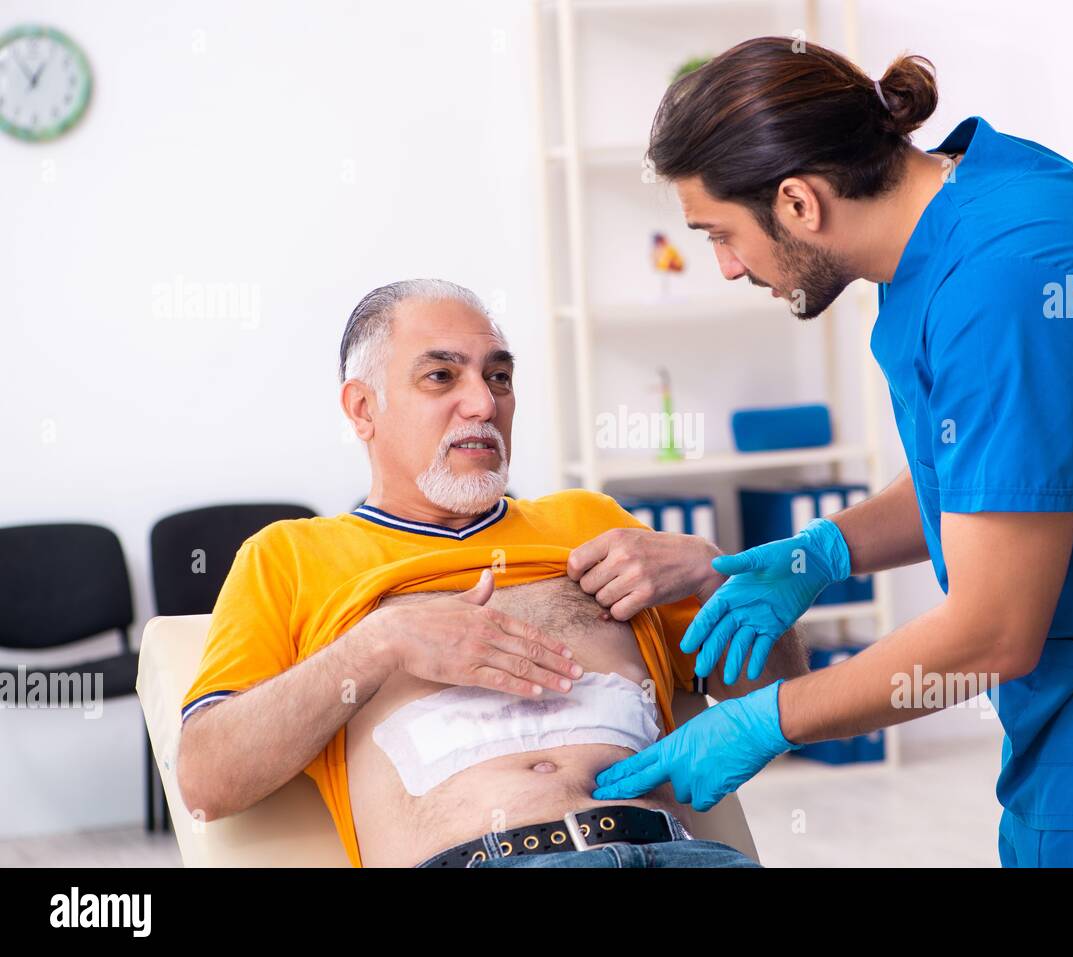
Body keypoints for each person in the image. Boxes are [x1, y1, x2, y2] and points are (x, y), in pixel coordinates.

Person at [574, 37, 1073, 867]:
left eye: (721, 234)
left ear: (800, 203)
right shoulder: (955, 213)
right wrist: (825, 549)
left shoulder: (1003, 283)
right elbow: (999, 476)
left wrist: (770, 716)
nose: (729, 268)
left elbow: (993, 631)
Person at [176, 279, 804, 868]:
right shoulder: (288, 556)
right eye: (440, 376)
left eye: (498, 376)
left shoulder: (592, 519)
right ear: (363, 408)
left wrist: (713, 571)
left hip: (676, 851)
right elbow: (207, 782)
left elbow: (782, 700)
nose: (482, 402)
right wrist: (380, 644)